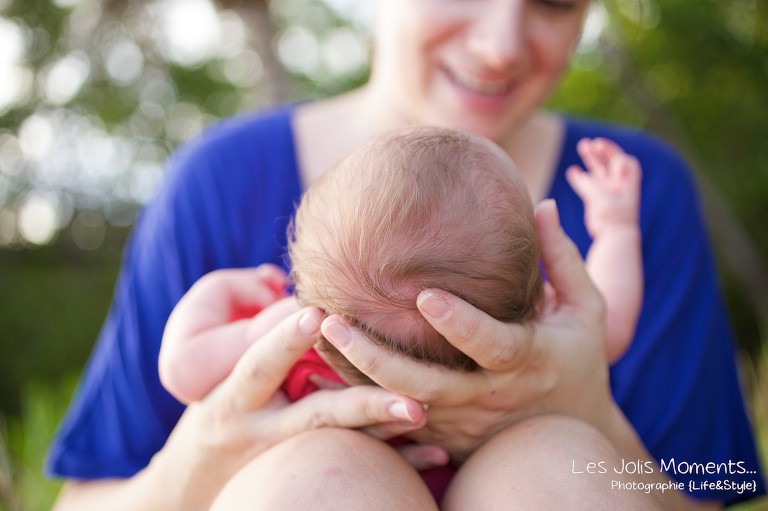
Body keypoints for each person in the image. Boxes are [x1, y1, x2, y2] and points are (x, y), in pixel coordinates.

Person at [47, 1, 765, 510]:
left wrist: (593, 417)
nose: (500, 45)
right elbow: (604, 322)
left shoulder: (653, 187)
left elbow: (184, 361)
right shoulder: (216, 182)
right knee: (321, 478)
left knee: (556, 472)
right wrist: (202, 457)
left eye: (554, 0)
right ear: (541, 291)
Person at [159, 126, 643, 406]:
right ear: (533, 297)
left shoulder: (288, 334)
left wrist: (221, 290)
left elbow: (182, 371)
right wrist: (618, 229)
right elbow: (608, 323)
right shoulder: (537, 348)